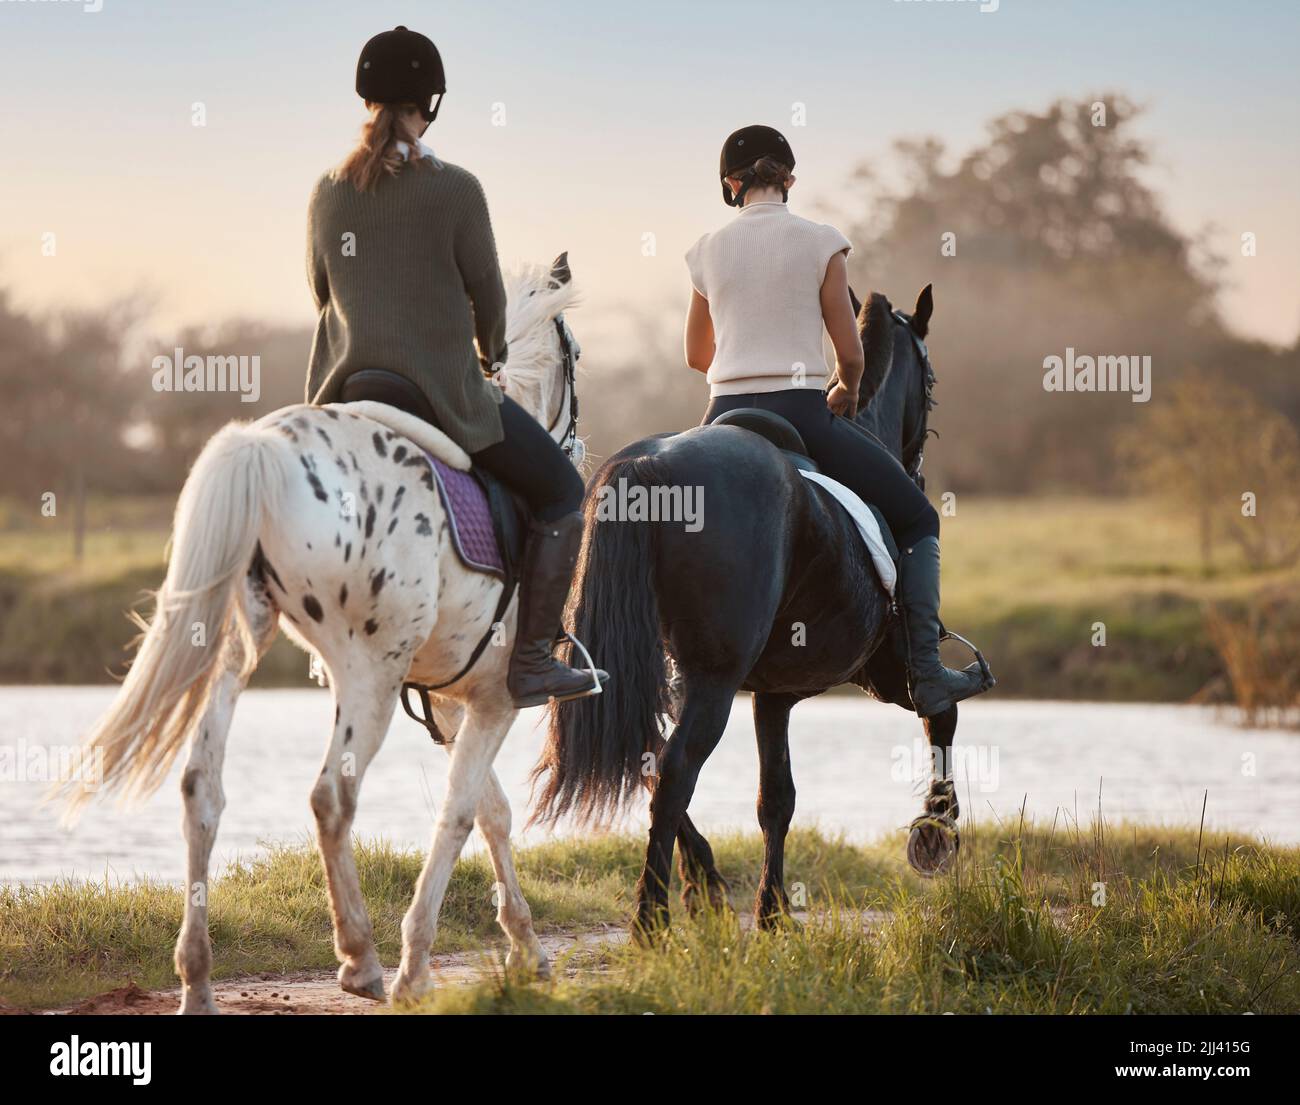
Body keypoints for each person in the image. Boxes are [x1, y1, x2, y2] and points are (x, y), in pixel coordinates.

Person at [305, 25, 604, 707]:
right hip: (439, 395)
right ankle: (530, 662)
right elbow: (488, 300)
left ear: (365, 97)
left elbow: (321, 292)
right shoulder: (456, 189)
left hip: (346, 392)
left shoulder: (327, 191)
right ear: (429, 103)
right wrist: (491, 356)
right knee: (561, 494)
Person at [684, 124, 994, 717]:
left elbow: (698, 357)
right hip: (802, 412)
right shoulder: (823, 241)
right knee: (918, 515)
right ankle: (927, 673)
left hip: (722, 414)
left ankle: (669, 667)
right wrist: (846, 390)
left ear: (731, 184)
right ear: (789, 179)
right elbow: (851, 354)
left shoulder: (705, 250)